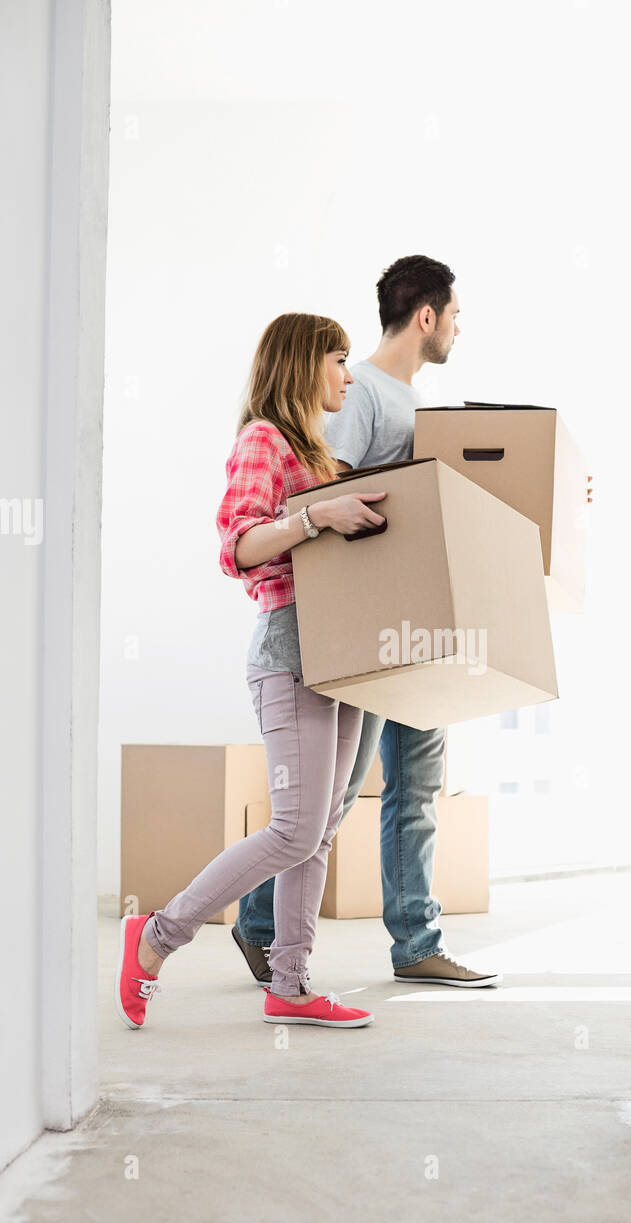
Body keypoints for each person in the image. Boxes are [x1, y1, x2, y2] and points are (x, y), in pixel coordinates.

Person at [232, 255, 504, 990]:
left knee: (416, 784)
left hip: (420, 624)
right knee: (336, 798)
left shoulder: (417, 405)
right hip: (365, 630)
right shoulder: (364, 397)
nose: (457, 327)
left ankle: (415, 941)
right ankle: (259, 925)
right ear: (427, 316)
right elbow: (321, 498)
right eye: (454, 314)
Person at [115, 312, 392, 1031]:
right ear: (305, 364)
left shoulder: (320, 454)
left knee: (320, 830)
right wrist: (315, 519)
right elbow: (236, 546)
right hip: (290, 650)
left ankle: (292, 984)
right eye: (338, 360)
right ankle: (155, 937)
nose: (349, 375)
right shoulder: (263, 440)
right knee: (296, 829)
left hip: (343, 653)